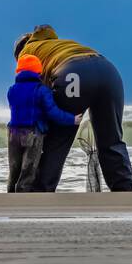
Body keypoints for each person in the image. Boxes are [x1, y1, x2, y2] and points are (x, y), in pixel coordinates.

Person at [12, 25, 132, 192]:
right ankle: (124, 189)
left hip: (73, 73)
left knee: (58, 138)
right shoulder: (61, 44)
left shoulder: (27, 52)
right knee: (111, 139)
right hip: (108, 71)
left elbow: (31, 93)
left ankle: (41, 191)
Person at [6, 53, 81, 192]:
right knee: (29, 168)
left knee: (14, 167)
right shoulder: (42, 90)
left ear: (19, 71)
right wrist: (73, 119)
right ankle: (24, 196)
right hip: (33, 131)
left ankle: (10, 193)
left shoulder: (11, 90)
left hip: (13, 132)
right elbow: (53, 113)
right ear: (38, 71)